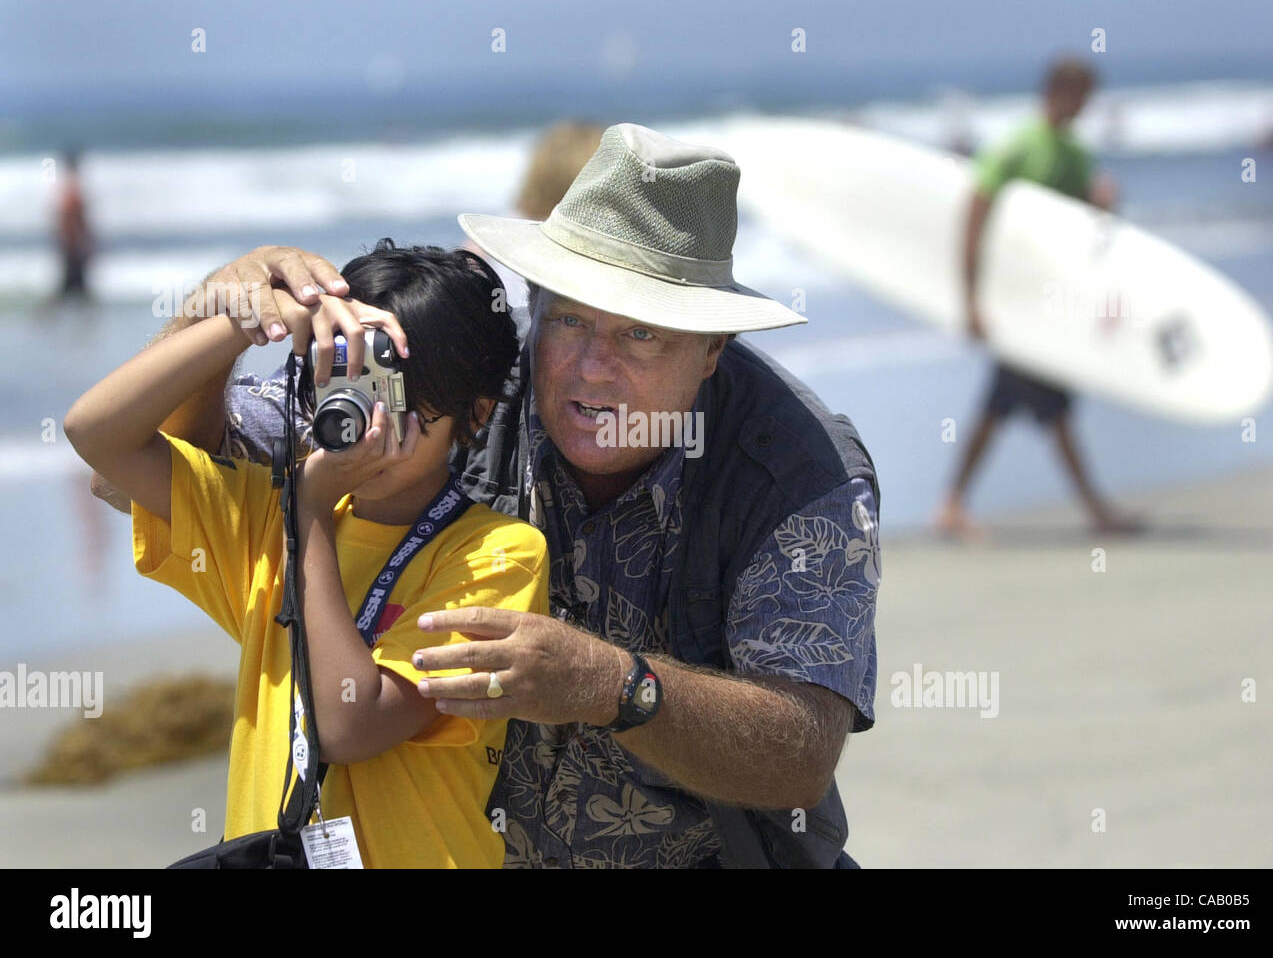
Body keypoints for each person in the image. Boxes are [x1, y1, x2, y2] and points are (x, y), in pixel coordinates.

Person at [92, 123, 881, 869]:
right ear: (534, 298)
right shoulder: (451, 380)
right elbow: (128, 473)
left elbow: (799, 756)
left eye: (639, 333)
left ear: (712, 349)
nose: (592, 366)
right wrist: (222, 305)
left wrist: (614, 687)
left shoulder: (791, 467)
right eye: (570, 318)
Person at [65, 241, 549, 867]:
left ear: (476, 414)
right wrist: (246, 323)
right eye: (349, 374)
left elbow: (349, 724)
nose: (371, 411)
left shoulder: (495, 552)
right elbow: (96, 433)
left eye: (399, 391)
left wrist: (312, 514)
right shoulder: (272, 515)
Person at [935, 57, 1139, 539]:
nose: (1087, 105)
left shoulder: (1075, 151)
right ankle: (1096, 509)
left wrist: (1104, 207)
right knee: (1053, 406)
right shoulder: (1018, 147)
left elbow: (1081, 234)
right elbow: (975, 218)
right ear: (1059, 90)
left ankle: (951, 504)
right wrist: (971, 300)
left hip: (1052, 304)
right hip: (1017, 303)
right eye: (1082, 94)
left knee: (1000, 404)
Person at [55, 149, 93, 299]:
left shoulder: (65, 186)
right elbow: (75, 222)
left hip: (70, 246)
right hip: (74, 247)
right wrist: (81, 244)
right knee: (74, 291)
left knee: (74, 290)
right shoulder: (72, 189)